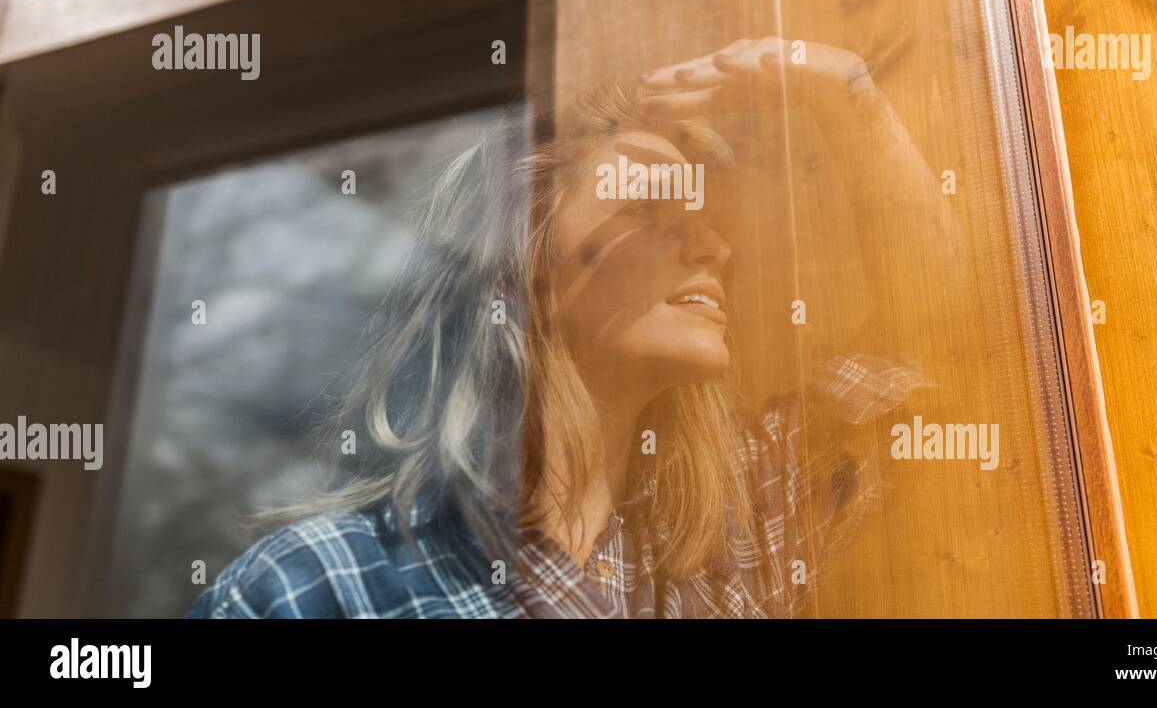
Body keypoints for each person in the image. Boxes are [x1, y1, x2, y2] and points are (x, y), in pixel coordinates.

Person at [186, 37, 949, 618]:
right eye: (650, 208)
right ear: (522, 271)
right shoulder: (324, 587)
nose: (714, 248)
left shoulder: (734, 545)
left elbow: (936, 331)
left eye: (708, 222)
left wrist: (847, 93)